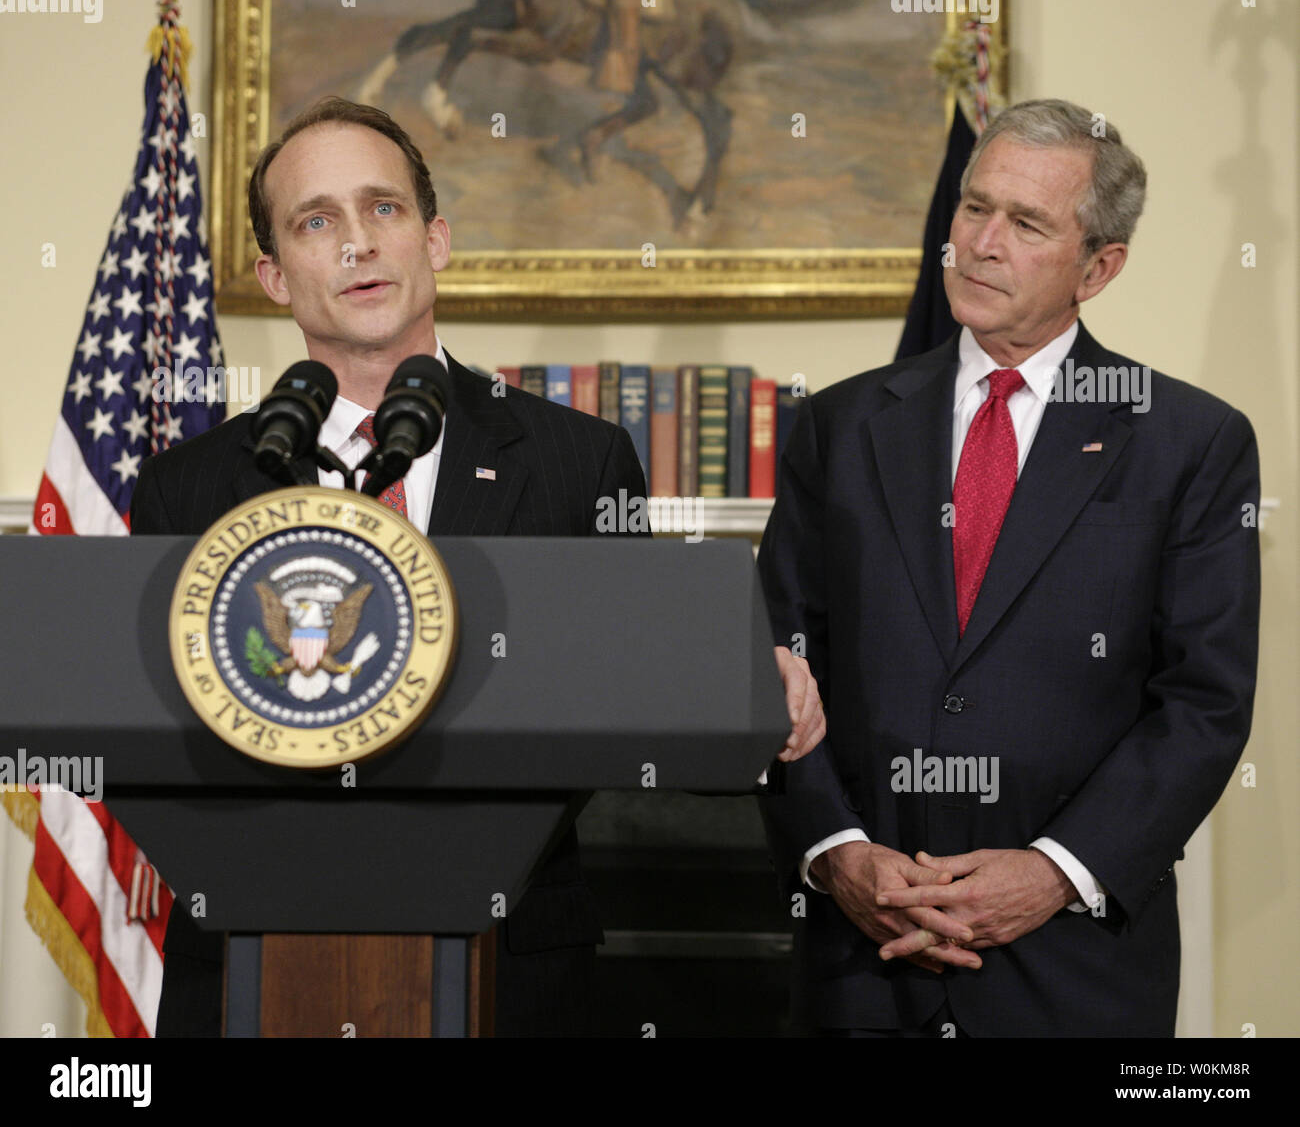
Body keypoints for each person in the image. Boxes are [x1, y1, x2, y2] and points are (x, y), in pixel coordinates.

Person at [131, 96, 824, 1036]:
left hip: (516, 972)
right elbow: (156, 739)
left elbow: (646, 701)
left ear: (436, 239)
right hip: (252, 975)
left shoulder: (579, 461)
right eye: (317, 221)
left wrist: (740, 680)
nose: (358, 245)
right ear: (273, 276)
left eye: (384, 210)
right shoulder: (191, 488)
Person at [758, 98, 1260, 1036]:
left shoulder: (1190, 442)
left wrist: (1055, 871)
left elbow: (1204, 705)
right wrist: (837, 850)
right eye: (973, 207)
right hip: (864, 962)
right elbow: (777, 666)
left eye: (1026, 224)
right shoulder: (840, 426)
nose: (981, 243)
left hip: (1073, 973)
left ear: (1098, 267)